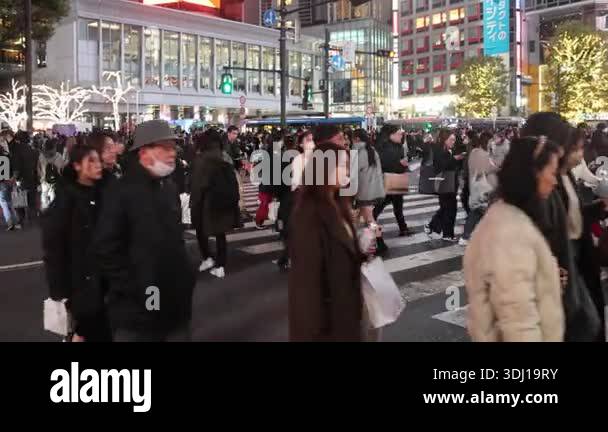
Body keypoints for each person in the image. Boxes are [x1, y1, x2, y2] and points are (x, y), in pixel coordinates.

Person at [94, 120, 195, 342]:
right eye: (165, 147)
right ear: (144, 152)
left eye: (174, 147)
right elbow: (106, 249)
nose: (173, 153)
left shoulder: (168, 187)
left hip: (175, 305)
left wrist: (187, 273)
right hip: (138, 313)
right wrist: (137, 289)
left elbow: (174, 239)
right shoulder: (122, 192)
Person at [464, 136, 564, 342]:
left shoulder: (510, 218)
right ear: (532, 173)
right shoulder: (510, 232)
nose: (555, 181)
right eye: (552, 172)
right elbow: (519, 323)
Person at [523, 112, 604, 341]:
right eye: (573, 147)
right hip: (557, 269)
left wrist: (597, 208)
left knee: (587, 322)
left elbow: (571, 216)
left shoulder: (562, 175)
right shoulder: (533, 185)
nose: (578, 155)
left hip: (574, 259)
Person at [289, 141, 364, 341]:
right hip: (326, 326)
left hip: (345, 314)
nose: (348, 170)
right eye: (343, 165)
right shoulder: (308, 213)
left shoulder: (338, 203)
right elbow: (307, 283)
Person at [42, 144, 111, 342]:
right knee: (91, 330)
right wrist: (59, 292)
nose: (98, 165)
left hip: (103, 282)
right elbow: (54, 249)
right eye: (91, 161)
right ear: (77, 166)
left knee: (94, 330)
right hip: (81, 284)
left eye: (98, 160)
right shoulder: (66, 200)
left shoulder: (102, 192)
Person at [190, 129, 240, 279]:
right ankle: (220, 266)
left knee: (200, 231)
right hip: (224, 202)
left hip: (207, 203)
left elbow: (198, 185)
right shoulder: (224, 156)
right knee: (220, 234)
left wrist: (194, 203)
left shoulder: (201, 159)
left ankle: (208, 258)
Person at [373, 125, 413, 254]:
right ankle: (370, 221)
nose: (401, 136)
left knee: (398, 204)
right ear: (390, 134)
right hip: (388, 178)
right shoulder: (382, 146)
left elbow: (400, 160)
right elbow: (384, 164)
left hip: (397, 178)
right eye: (399, 134)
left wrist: (404, 165)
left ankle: (403, 228)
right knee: (382, 203)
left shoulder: (398, 146)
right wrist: (400, 163)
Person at [425, 129, 464, 242]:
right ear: (444, 139)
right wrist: (454, 158)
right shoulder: (438, 150)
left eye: (454, 140)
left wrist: (456, 158)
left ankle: (433, 226)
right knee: (449, 209)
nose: (453, 142)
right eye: (451, 140)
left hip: (450, 182)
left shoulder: (448, 149)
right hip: (443, 182)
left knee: (447, 208)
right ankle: (447, 234)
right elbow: (442, 165)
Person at [459, 131, 496, 246]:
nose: (492, 143)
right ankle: (467, 236)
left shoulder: (476, 152)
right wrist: (495, 167)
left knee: (478, 213)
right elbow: (485, 169)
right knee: (478, 212)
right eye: (491, 141)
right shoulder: (480, 154)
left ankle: (471, 236)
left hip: (477, 187)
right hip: (482, 188)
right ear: (486, 141)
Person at [352, 129, 384, 227]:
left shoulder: (360, 152)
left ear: (357, 139)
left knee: (370, 220)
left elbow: (354, 171)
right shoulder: (371, 150)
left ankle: (377, 240)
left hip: (364, 191)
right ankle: (361, 240)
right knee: (361, 218)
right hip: (373, 189)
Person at [37, 138, 65, 211]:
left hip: (44, 180)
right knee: (53, 193)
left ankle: (45, 207)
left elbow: (38, 168)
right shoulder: (58, 156)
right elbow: (62, 168)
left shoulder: (41, 156)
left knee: (44, 193)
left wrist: (41, 177)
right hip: (56, 180)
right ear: (54, 147)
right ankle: (53, 208)